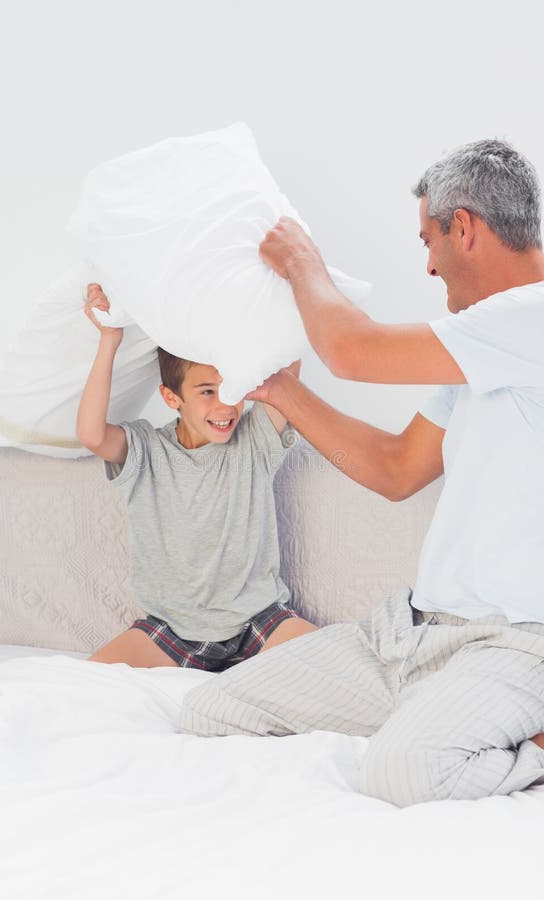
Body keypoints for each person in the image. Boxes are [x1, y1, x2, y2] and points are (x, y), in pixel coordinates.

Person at [179, 139, 544, 806]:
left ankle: (524, 742)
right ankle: (435, 712)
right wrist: (282, 393)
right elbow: (396, 467)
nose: (429, 266)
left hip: (515, 649)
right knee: (211, 711)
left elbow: (351, 350)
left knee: (404, 772)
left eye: (428, 241)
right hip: (414, 634)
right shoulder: (480, 354)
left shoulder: (535, 317)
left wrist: (301, 264)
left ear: (462, 226)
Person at [76, 284, 316, 670]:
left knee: (339, 664)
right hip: (172, 632)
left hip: (258, 622)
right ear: (172, 398)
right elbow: (91, 434)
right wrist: (110, 338)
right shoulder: (146, 451)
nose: (225, 405)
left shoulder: (254, 441)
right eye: (207, 391)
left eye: (230, 388)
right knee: (86, 684)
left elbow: (290, 363)